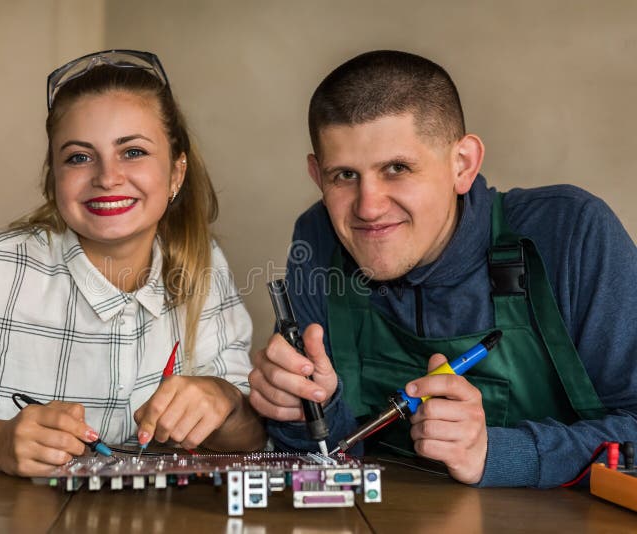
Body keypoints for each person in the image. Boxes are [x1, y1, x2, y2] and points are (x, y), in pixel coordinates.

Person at [0, 50, 265, 476]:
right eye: (79, 157)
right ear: (54, 179)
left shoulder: (206, 267)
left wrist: (224, 401)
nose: (107, 177)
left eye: (132, 151)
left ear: (175, 173)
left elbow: (252, 437)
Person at [248, 50, 637, 488]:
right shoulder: (319, 237)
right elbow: (321, 467)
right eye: (344, 176)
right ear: (317, 175)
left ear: (463, 164)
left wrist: (498, 451)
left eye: (397, 168)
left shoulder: (570, 231)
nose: (369, 208)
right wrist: (301, 413)